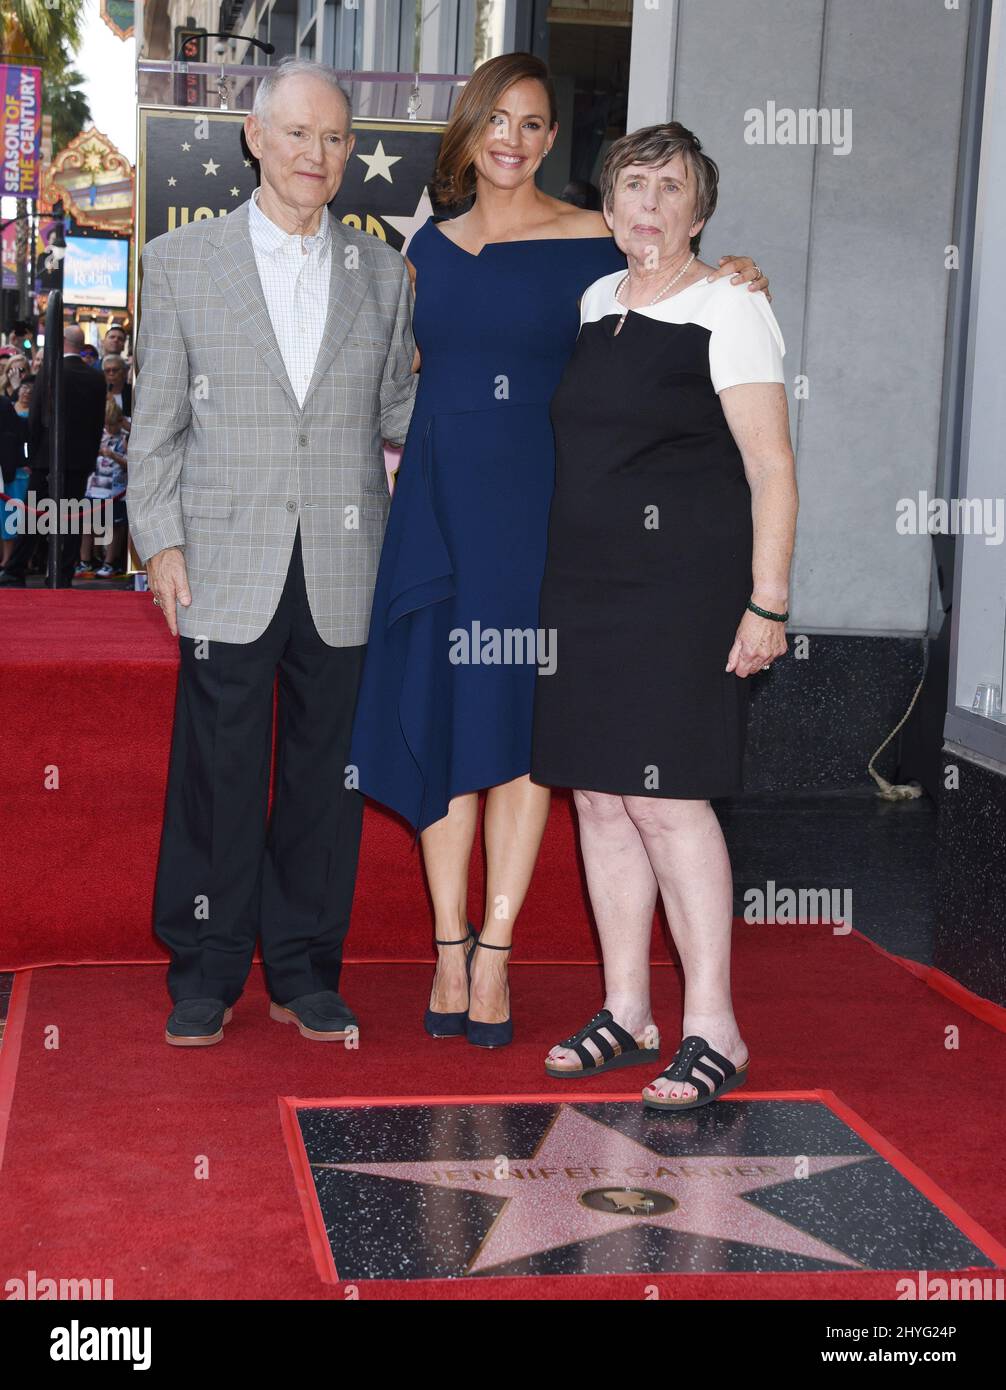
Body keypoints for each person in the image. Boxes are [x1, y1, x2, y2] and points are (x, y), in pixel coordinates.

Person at [349, 53, 770, 1049]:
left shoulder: (593, 239)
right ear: (468, 128)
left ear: (551, 141)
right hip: (441, 512)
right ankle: (448, 945)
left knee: (519, 738)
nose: (513, 138)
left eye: (534, 123)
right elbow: (384, 376)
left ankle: (495, 953)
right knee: (446, 721)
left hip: (543, 524)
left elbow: (673, 279)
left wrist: (733, 270)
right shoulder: (427, 250)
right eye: (497, 119)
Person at [127, 58, 416, 1048]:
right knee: (216, 767)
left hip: (345, 564)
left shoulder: (385, 273)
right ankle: (206, 970)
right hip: (222, 558)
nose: (318, 154)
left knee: (323, 775)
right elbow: (153, 426)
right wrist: (158, 540)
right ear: (254, 138)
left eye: (335, 138)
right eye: (299, 133)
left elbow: (401, 415)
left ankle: (303, 968)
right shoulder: (180, 264)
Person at [532, 123, 798, 1109]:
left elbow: (771, 466)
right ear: (608, 209)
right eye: (631, 185)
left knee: (666, 799)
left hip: (681, 594)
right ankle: (627, 1009)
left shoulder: (731, 304)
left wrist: (767, 602)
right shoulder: (596, 300)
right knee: (599, 798)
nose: (647, 203)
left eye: (668, 187)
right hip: (585, 589)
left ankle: (713, 1027)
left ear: (698, 210)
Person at [0, 324, 107, 587]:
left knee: (34, 515)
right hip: (80, 460)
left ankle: (15, 569)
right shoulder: (95, 377)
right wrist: (89, 457)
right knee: (71, 519)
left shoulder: (51, 372)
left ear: (60, 341)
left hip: (46, 458)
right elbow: (97, 423)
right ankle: (63, 573)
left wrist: (35, 452)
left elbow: (36, 417)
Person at [79, 397, 129, 577]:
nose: (109, 428)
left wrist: (113, 455)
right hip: (94, 486)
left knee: (115, 527)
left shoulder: (126, 435)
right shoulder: (98, 432)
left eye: (112, 425)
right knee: (87, 524)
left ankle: (110, 561)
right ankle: (86, 560)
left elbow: (132, 464)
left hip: (116, 490)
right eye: (106, 424)